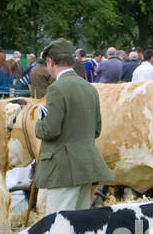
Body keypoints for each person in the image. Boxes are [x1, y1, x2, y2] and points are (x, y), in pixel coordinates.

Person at [32, 38, 111, 212]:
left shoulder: (56, 88)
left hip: (63, 169)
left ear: (50, 62)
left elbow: (50, 130)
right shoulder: (89, 87)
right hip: (86, 166)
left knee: (59, 223)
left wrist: (39, 123)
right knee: (78, 225)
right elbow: (96, 130)